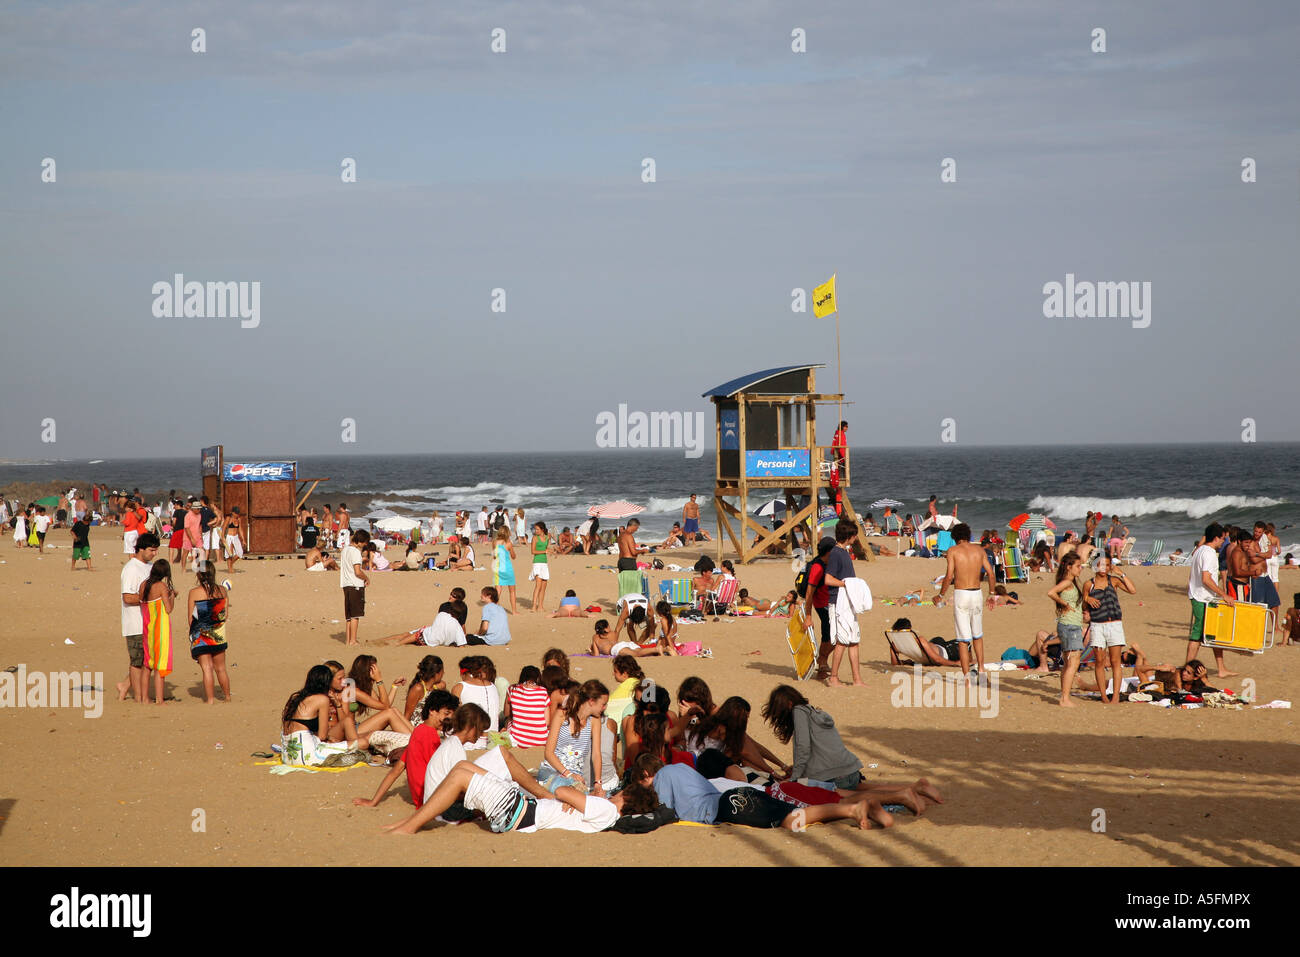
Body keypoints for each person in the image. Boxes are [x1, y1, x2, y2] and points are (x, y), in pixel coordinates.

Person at [762, 685, 942, 809]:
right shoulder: (814, 713)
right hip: (849, 769)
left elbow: (803, 748)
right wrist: (798, 770)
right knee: (868, 788)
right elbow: (815, 750)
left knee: (851, 797)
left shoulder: (798, 712)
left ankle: (906, 795)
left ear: (787, 704)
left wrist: (795, 778)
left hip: (833, 775)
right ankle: (916, 786)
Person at [646, 755, 890, 831]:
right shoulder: (683, 769)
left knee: (793, 819)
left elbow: (664, 810)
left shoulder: (662, 778)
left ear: (647, 774)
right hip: (741, 794)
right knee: (796, 814)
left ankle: (853, 809)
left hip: (729, 805)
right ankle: (860, 806)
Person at [353, 690, 459, 808]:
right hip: (432, 799)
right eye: (446, 713)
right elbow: (440, 771)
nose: (449, 719)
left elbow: (396, 771)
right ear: (432, 711)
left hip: (419, 797)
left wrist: (373, 801)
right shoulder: (430, 735)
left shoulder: (418, 731)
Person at [934, 523, 996, 676]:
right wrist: (992, 593)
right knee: (978, 635)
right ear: (968, 535)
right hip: (977, 593)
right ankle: (981, 669)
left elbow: (949, 576)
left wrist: (941, 595)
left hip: (961, 594)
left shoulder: (953, 551)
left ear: (955, 537)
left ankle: (967, 677)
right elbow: (991, 574)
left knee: (963, 640)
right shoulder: (980, 550)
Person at [282, 665, 368, 766]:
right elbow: (322, 736)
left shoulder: (295, 697)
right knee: (363, 743)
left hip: (288, 756)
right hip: (307, 757)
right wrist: (329, 739)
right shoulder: (322, 699)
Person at [538, 679, 609, 796]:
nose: (605, 708)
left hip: (575, 778)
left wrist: (598, 782)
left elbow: (596, 754)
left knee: (601, 796)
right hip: (552, 772)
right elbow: (549, 753)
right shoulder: (561, 715)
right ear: (591, 701)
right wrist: (568, 774)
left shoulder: (594, 721)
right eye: (603, 704)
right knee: (572, 791)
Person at [1186, 522, 1238, 678]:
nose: (1224, 542)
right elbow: (1206, 579)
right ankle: (1187, 668)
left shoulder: (1199, 550)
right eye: (1222, 539)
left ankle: (1221, 668)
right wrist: (1224, 594)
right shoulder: (1208, 553)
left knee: (1213, 634)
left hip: (1200, 596)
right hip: (1202, 598)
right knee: (1197, 635)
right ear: (1216, 538)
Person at [1082, 555, 1136, 705]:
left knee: (1115, 661)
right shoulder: (1089, 584)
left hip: (1115, 625)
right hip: (1097, 625)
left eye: (1107, 565)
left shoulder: (1114, 581)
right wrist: (1087, 599)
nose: (1104, 568)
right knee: (1099, 661)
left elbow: (1133, 590)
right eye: (1101, 565)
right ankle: (1104, 696)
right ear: (1095, 566)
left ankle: (1116, 696)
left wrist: (1121, 573)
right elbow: (1084, 608)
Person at [822, 520, 866, 687]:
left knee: (853, 641)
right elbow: (828, 579)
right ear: (849, 536)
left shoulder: (844, 553)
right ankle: (833, 678)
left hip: (848, 601)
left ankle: (857, 679)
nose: (856, 538)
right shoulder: (836, 553)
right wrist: (846, 584)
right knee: (842, 641)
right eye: (854, 535)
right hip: (838, 602)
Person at [117, 533, 160, 704]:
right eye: (152, 550)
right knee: (137, 662)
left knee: (146, 660)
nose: (154, 553)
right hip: (135, 623)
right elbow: (127, 597)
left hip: (150, 622)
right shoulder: (131, 569)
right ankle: (139, 697)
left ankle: (124, 686)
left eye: (156, 550)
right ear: (141, 549)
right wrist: (151, 599)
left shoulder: (149, 566)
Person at [1048, 551, 1087, 707]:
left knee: (1068, 662)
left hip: (1068, 624)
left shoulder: (1070, 582)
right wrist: (1064, 604)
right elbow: (1051, 592)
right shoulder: (1067, 582)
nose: (1080, 569)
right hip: (1070, 626)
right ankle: (1065, 698)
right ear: (1069, 567)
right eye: (1078, 566)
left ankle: (1064, 695)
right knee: (1073, 662)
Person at [188, 561, 231, 703]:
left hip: (201, 633)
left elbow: (190, 618)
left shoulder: (194, 592)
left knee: (207, 669)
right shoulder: (222, 591)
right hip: (218, 633)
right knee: (221, 668)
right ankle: (227, 696)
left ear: (199, 575)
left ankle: (211, 699)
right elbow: (225, 615)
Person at [140, 558, 176, 705]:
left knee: (147, 664)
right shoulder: (161, 586)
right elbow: (168, 609)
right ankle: (159, 700)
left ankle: (144, 698)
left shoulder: (143, 585)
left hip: (147, 628)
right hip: (160, 629)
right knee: (160, 665)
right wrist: (172, 596)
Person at [450, 657, 501, 747]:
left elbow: (453, 715)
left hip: (471, 738)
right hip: (492, 737)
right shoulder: (492, 686)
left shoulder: (460, 687)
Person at [506, 666, 551, 748]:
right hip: (541, 740)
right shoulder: (543, 692)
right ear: (538, 678)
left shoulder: (512, 689)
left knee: (509, 721)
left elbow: (506, 713)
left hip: (517, 740)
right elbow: (547, 722)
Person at [401, 656, 446, 722]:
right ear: (436, 673)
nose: (443, 673)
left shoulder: (439, 687)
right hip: (415, 728)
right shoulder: (418, 689)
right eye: (442, 671)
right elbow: (407, 716)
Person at [492, 527, 518, 614]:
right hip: (507, 568)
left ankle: (495, 610)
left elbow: (494, 556)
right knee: (512, 591)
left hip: (498, 568)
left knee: (498, 590)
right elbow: (513, 557)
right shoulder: (508, 543)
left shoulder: (494, 542)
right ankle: (514, 611)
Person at [528, 521, 550, 612]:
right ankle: (534, 606)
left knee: (544, 586)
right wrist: (544, 552)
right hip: (537, 562)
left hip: (544, 563)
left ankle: (540, 606)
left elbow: (547, 549)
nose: (536, 531)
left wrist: (553, 551)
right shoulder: (535, 538)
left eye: (537, 529)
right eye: (535, 529)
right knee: (538, 585)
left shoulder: (547, 537)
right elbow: (533, 551)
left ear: (542, 529)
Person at [223, 507, 244, 573]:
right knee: (229, 553)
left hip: (236, 537)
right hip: (229, 536)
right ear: (233, 513)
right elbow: (223, 528)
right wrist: (222, 537)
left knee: (240, 553)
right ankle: (230, 569)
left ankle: (231, 564)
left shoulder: (239, 519)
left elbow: (240, 529)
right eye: (236, 513)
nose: (237, 514)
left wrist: (243, 539)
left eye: (238, 513)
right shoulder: (228, 519)